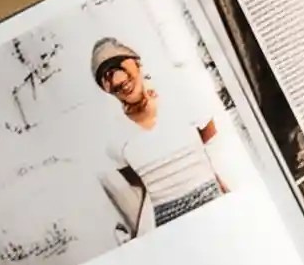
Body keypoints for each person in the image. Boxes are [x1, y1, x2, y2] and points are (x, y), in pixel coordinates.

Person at [92, 38, 226, 239]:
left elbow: (214, 146)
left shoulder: (180, 96)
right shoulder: (115, 139)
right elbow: (138, 184)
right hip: (170, 223)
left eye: (118, 65)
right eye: (106, 77)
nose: (118, 81)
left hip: (214, 203)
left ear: (137, 62)